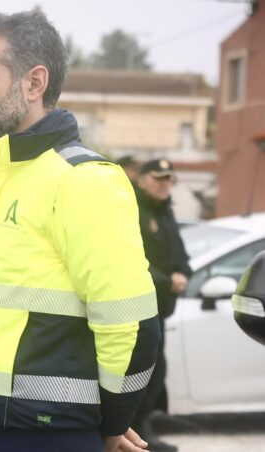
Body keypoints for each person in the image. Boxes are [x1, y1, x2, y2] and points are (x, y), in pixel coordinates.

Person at [0, 10, 160, 452]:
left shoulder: (81, 179)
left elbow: (131, 323)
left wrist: (112, 426)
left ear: (34, 83)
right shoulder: (5, 179)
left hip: (43, 434)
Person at [131, 159, 192, 452]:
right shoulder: (134, 210)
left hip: (160, 308)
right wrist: (168, 281)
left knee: (156, 372)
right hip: (138, 306)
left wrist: (183, 273)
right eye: (158, 178)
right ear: (142, 180)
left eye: (169, 179)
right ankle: (134, 434)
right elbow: (132, 259)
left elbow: (179, 253)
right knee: (143, 371)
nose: (164, 183)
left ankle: (142, 432)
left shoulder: (165, 212)